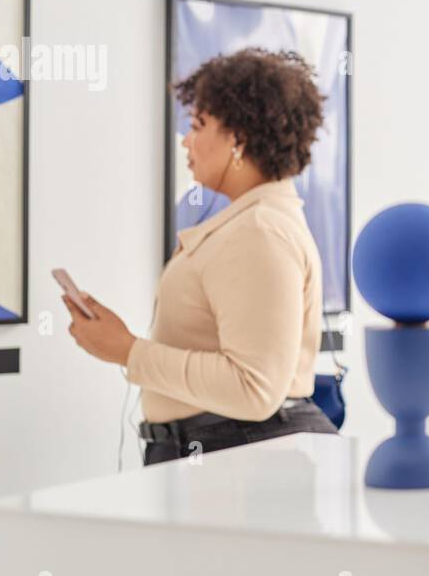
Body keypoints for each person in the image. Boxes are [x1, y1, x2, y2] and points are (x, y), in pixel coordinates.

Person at [63, 47, 338, 465]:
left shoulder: (259, 231)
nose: (186, 140)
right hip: (223, 454)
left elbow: (253, 388)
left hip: (236, 460)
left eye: (198, 125)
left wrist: (127, 350)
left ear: (239, 139)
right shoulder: (254, 223)